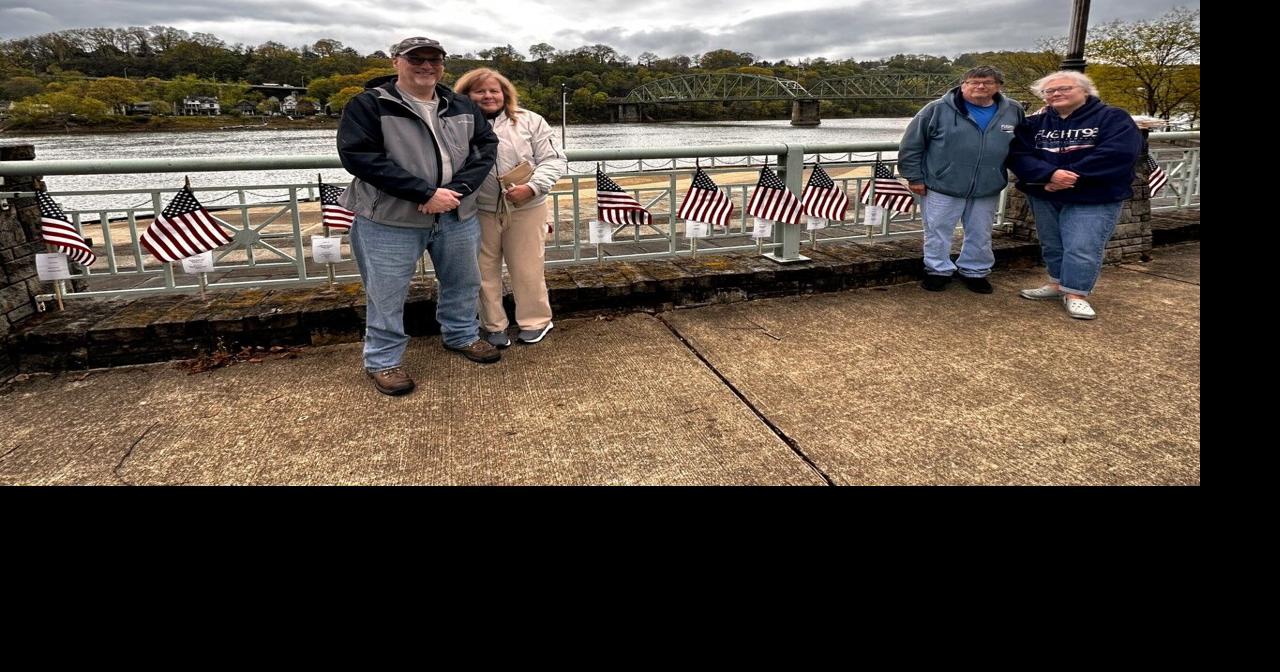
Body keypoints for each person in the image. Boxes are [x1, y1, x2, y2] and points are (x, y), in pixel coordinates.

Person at [337, 36, 499, 396]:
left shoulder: (460, 104)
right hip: (389, 219)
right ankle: (383, 361)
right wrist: (424, 193)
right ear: (396, 61)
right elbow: (359, 157)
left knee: (463, 281)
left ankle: (461, 336)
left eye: (434, 59)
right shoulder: (368, 105)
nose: (427, 66)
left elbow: (485, 148)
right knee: (386, 292)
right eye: (416, 59)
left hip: (456, 213)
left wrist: (453, 192)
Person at [1008, 70, 1142, 320]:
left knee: (1083, 246)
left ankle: (1076, 293)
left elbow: (1118, 154)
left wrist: (1066, 176)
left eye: (1064, 88)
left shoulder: (1113, 118)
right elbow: (1018, 155)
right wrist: (1049, 176)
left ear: (1085, 90)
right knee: (1052, 243)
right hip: (1046, 193)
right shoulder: (1034, 123)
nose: (1056, 93)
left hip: (1094, 196)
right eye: (1049, 91)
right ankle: (1057, 283)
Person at [454, 68, 568, 347]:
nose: (488, 96)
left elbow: (554, 159)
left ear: (505, 92)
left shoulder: (531, 121)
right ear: (466, 94)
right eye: (479, 91)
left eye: (494, 90)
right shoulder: (456, 123)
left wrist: (533, 187)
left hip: (527, 207)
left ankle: (536, 321)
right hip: (477, 209)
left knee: (528, 268)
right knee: (482, 271)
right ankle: (493, 324)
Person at [897, 65, 1025, 293]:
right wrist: (914, 177)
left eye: (987, 82)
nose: (980, 86)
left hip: (987, 185)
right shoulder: (935, 109)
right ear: (963, 85)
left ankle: (974, 272)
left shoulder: (1013, 110)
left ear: (998, 87)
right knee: (937, 230)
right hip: (942, 184)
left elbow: (1023, 143)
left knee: (981, 232)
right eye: (973, 82)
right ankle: (937, 271)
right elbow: (912, 145)